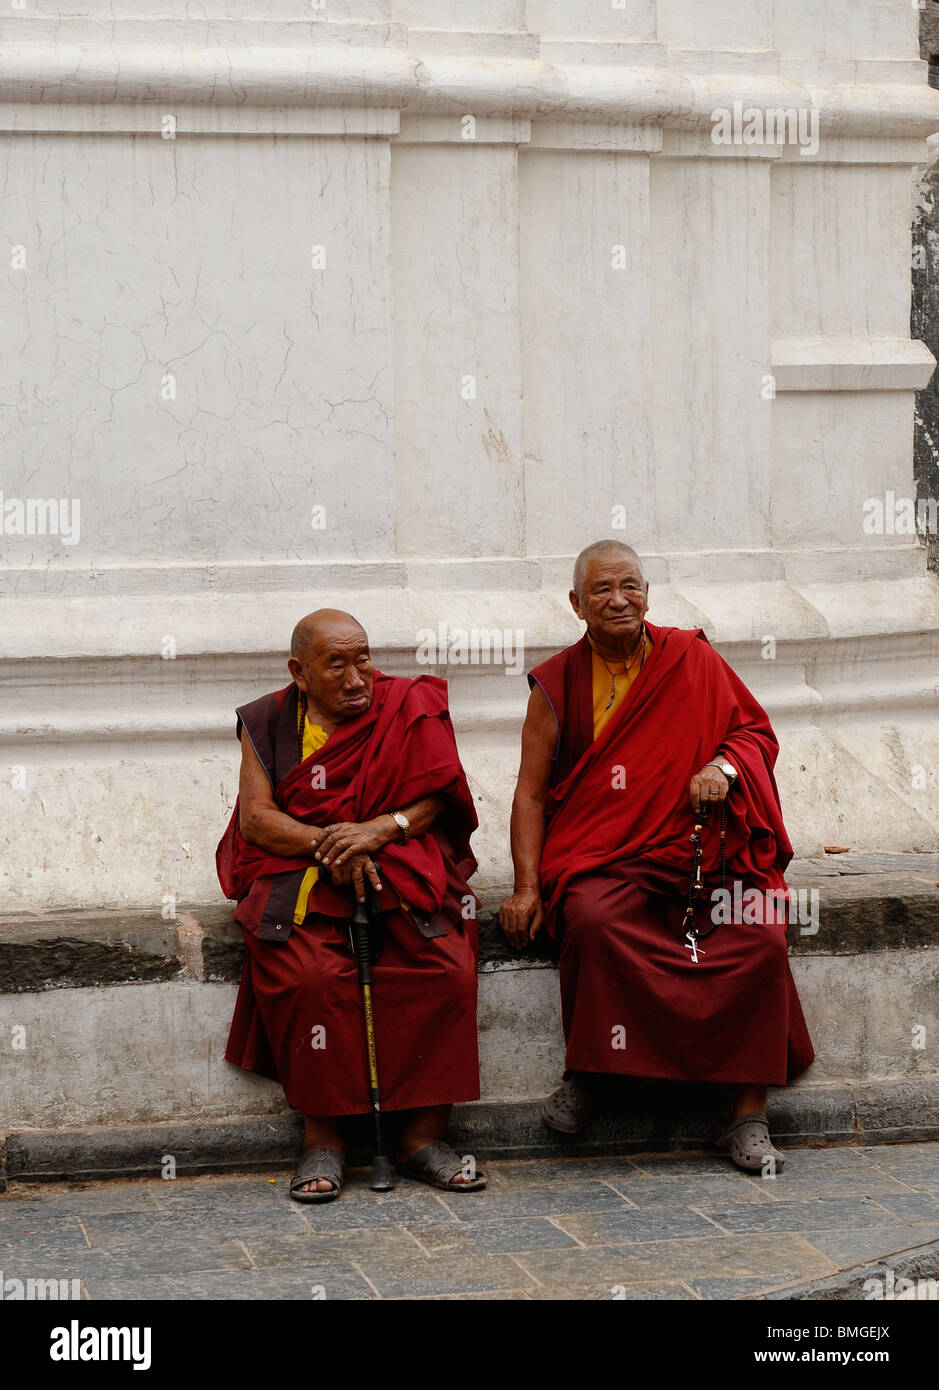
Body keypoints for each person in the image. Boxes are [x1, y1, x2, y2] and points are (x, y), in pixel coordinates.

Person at [498, 540, 814, 1172]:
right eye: (602, 591)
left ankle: (746, 1112)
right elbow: (531, 791)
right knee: (591, 919)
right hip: (607, 855)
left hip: (704, 852)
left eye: (631, 587)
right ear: (577, 604)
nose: (619, 601)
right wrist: (527, 886)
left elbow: (754, 733)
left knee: (760, 937)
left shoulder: (690, 658)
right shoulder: (557, 685)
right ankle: (595, 1073)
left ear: (647, 592)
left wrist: (723, 767)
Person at [217, 609, 487, 1200]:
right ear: (300, 672)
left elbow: (435, 797)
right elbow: (259, 821)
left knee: (446, 969)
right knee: (311, 978)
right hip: (304, 876)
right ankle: (324, 1139)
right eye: (335, 664)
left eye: (362, 658)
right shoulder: (266, 721)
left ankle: (423, 1136)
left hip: (396, 865)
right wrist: (334, 842)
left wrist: (379, 829)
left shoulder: (409, 704)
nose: (356, 677)